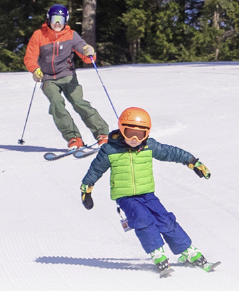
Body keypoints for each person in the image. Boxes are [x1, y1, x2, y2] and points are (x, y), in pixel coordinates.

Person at [79, 107, 215, 275]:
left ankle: (188, 251)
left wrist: (192, 161)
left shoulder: (149, 146)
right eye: (130, 133)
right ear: (121, 130)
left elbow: (170, 152)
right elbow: (95, 169)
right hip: (125, 197)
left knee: (165, 219)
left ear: (147, 134)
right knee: (142, 219)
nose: (134, 139)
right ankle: (157, 253)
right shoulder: (110, 150)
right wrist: (87, 188)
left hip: (147, 194)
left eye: (140, 134)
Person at [23, 4, 109, 151]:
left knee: (78, 102)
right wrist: (35, 70)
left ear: (66, 20)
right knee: (56, 103)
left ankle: (102, 134)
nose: (57, 23)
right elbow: (30, 57)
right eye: (54, 19)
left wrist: (89, 52)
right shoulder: (39, 35)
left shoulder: (71, 35)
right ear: (48, 19)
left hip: (68, 76)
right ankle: (74, 138)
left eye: (61, 20)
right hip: (48, 78)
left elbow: (85, 54)